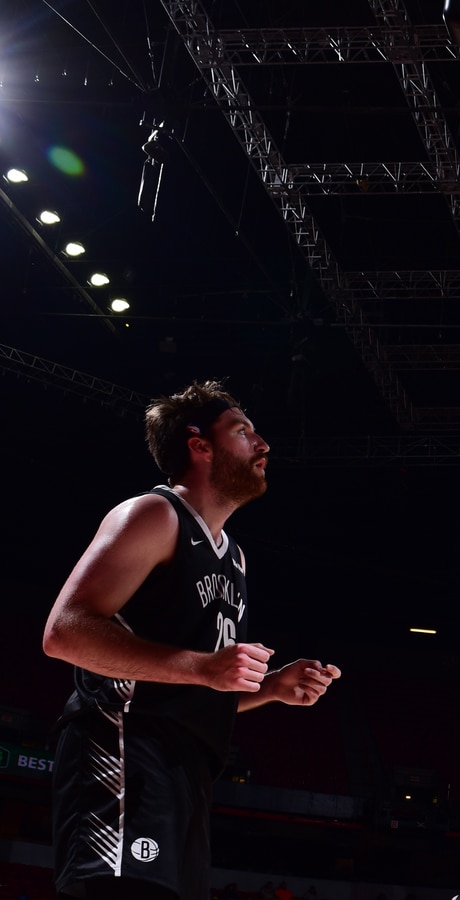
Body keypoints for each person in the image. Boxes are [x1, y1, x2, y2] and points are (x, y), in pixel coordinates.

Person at [43, 380, 342, 900]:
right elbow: (63, 632)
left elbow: (192, 684)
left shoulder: (235, 557)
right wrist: (204, 667)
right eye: (242, 432)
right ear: (200, 446)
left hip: (189, 768)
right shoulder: (154, 515)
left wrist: (269, 686)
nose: (263, 444)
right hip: (125, 747)